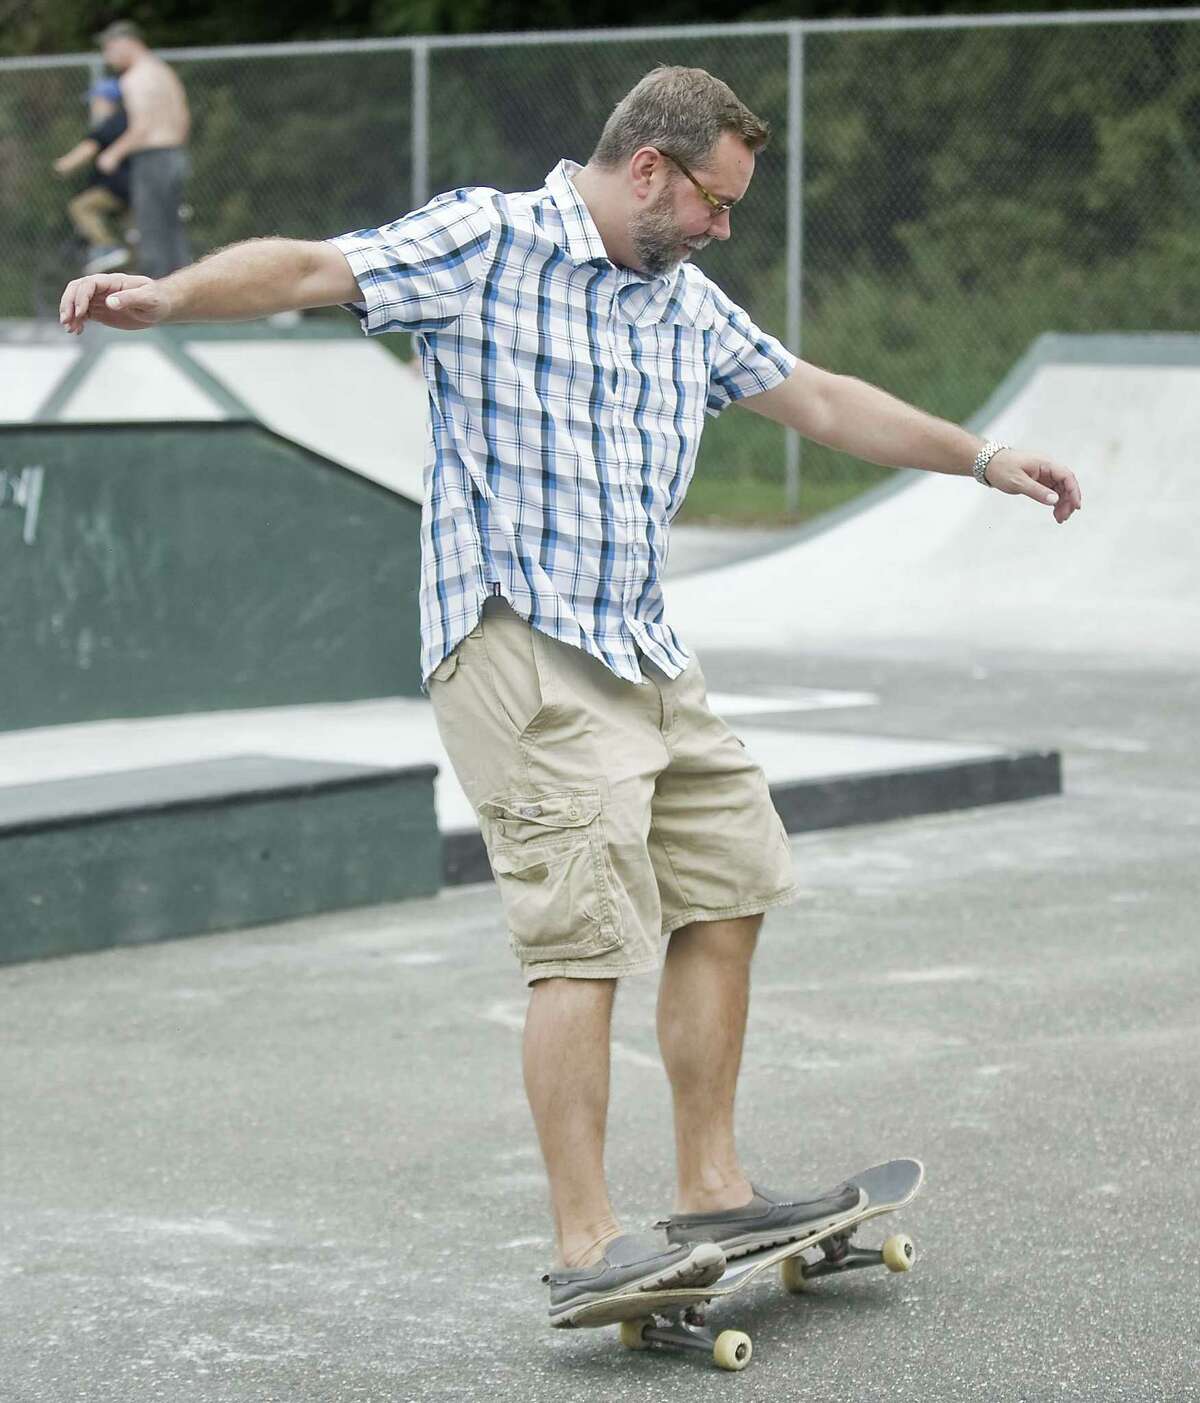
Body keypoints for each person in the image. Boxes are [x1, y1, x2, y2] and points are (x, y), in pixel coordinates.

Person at [58, 65, 1082, 1325]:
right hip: (517, 644)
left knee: (730, 882)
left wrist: (982, 455)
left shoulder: (683, 304)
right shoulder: (485, 241)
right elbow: (316, 267)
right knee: (583, 939)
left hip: (645, 649)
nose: (721, 228)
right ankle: (589, 1236)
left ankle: (711, 1184)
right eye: (715, 202)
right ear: (648, 168)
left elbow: (816, 396)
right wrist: (170, 293)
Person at [93, 20, 191, 280]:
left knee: (151, 229)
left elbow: (142, 127)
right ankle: (184, 291)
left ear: (126, 43)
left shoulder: (134, 78)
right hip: (175, 154)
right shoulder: (163, 71)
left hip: (152, 158)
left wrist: (112, 154)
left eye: (110, 50)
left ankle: (158, 294)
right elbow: (182, 117)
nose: (108, 58)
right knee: (172, 228)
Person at [52, 75, 131, 274]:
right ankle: (131, 254)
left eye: (95, 102)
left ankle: (107, 247)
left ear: (106, 101)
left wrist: (63, 166)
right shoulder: (128, 122)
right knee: (129, 227)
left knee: (81, 207)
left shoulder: (112, 124)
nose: (93, 107)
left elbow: (88, 149)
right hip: (133, 188)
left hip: (119, 188)